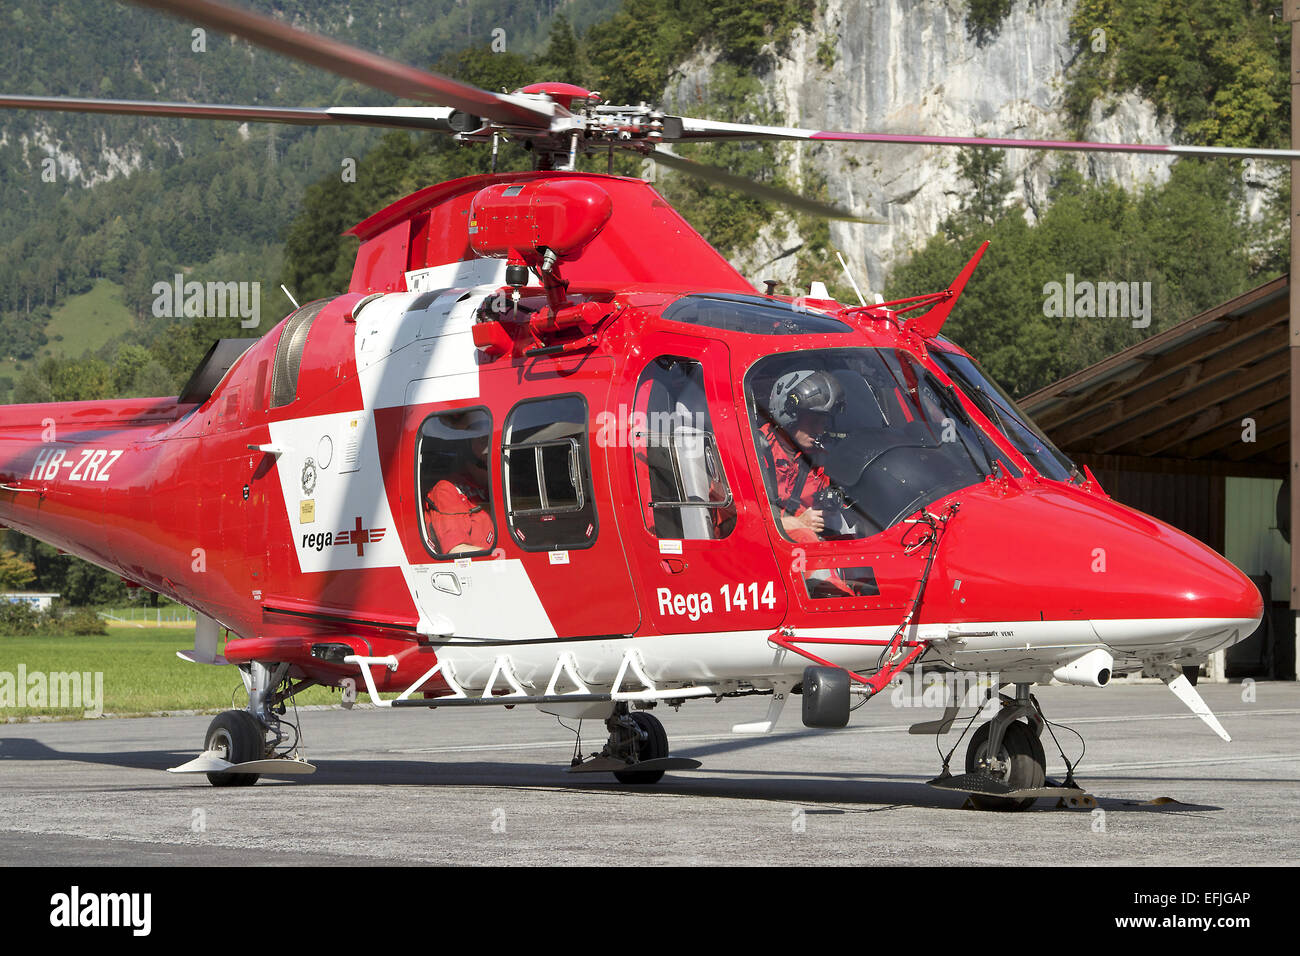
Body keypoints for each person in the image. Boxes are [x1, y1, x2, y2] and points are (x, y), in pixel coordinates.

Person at [758, 370, 843, 542]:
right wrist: (796, 523)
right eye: (812, 422)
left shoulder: (819, 459)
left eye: (823, 423)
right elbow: (732, 522)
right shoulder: (752, 450)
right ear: (788, 416)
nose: (819, 431)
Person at [423, 415, 495, 555]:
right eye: (481, 439)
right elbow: (456, 550)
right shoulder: (447, 490)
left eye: (490, 436)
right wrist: (503, 556)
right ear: (467, 447)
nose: (489, 444)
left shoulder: (498, 486)